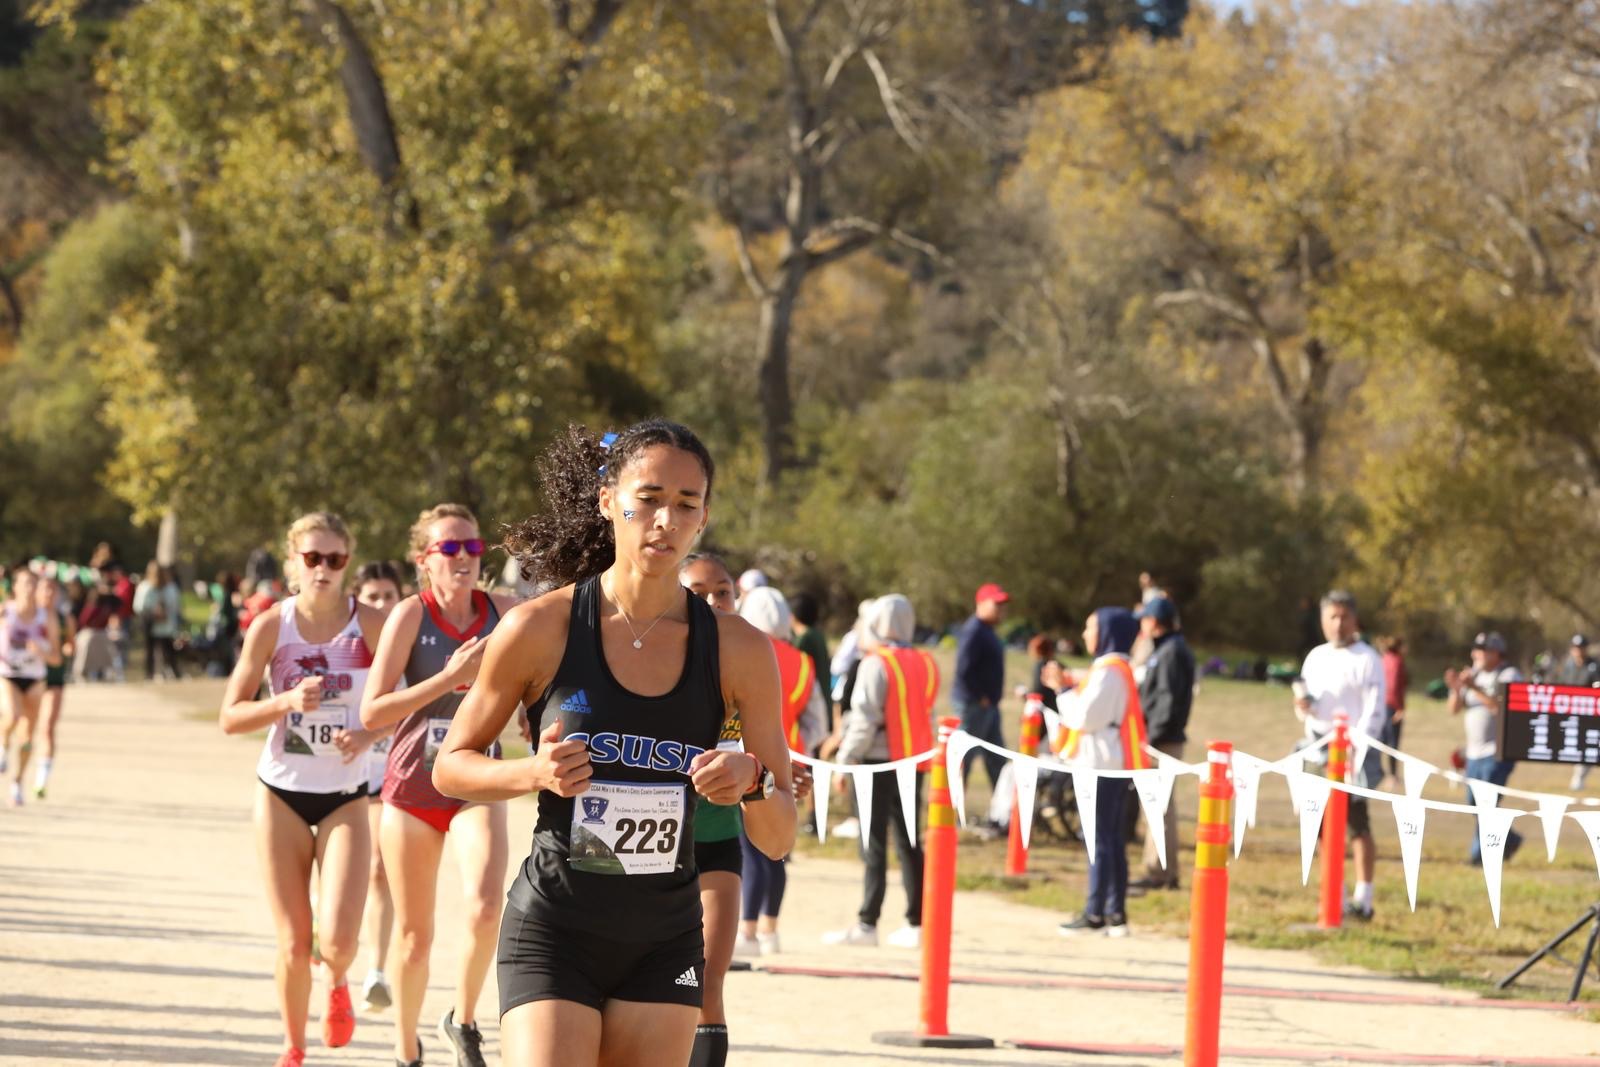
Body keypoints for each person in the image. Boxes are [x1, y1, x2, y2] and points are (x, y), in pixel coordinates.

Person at [433, 419, 796, 1067]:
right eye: (649, 497)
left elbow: (778, 836)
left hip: (664, 937)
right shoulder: (539, 628)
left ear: (704, 517)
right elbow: (451, 767)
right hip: (555, 923)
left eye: (686, 504)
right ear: (609, 501)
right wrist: (534, 772)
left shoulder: (737, 648)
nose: (665, 519)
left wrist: (755, 781)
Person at [218, 512, 387, 1067]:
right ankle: (292, 1049)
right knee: (292, 941)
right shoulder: (272, 625)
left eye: (334, 559)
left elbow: (406, 705)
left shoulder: (375, 624)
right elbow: (230, 716)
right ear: (294, 562)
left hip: (345, 794)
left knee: (338, 940)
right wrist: (285, 703)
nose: (322, 569)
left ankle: (337, 979)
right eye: (311, 558)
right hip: (282, 793)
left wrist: (366, 734)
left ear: (348, 564)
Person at [359, 505, 519, 1067]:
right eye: (449, 549)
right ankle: (407, 1049)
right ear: (424, 560)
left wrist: (530, 710)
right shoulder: (409, 615)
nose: (463, 559)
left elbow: (539, 674)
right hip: (412, 787)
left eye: (472, 549)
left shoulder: (505, 611)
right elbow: (373, 710)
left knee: (483, 906)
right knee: (413, 938)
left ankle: (464, 1019)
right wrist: (447, 679)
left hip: (476, 778)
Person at [823, 594, 936, 949]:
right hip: (913, 761)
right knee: (909, 841)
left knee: (873, 843)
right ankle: (917, 922)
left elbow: (864, 720)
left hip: (876, 762)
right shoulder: (925, 662)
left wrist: (845, 759)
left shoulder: (876, 664)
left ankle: (867, 923)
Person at [733, 584, 825, 960]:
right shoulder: (803, 662)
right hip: (790, 764)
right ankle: (771, 930)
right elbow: (817, 721)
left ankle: (749, 931)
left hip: (747, 759)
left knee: (748, 849)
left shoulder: (744, 652)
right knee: (778, 850)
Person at [1048, 607, 1149, 937]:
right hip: (1107, 762)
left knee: (1100, 839)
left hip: (1100, 763)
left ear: (1106, 632)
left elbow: (1085, 718)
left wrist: (1061, 691)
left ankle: (1096, 912)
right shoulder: (1112, 669)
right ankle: (1114, 912)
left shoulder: (1109, 671)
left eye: (1090, 627)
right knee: (1109, 838)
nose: (1084, 634)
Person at [1295, 591, 1386, 920]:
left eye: (1343, 616)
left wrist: (1355, 750)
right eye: (1331, 617)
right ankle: (1336, 891)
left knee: (1356, 825)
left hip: (1353, 752)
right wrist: (1305, 707)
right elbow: (1312, 705)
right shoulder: (1316, 656)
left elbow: (1375, 710)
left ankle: (1365, 896)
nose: (1337, 623)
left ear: (1354, 619)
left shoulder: (1367, 658)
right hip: (1318, 747)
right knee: (1321, 826)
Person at [352, 560, 405, 1014]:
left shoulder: (414, 648)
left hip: (391, 773)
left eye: (390, 595)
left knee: (378, 869)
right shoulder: (348, 647)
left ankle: (376, 970)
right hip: (345, 774)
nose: (382, 604)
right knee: (348, 868)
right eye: (372, 597)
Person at [1130, 597, 1193, 893]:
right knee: (1157, 805)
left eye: (1144, 619)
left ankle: (1160, 872)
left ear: (1154, 622)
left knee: (1159, 806)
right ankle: (1160, 870)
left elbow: (1167, 701)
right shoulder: (1167, 649)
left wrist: (1150, 738)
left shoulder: (1170, 652)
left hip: (1162, 742)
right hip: (1160, 739)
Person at [1447, 632, 1525, 866]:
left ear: (1496, 653)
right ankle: (1510, 838)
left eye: (1483, 650)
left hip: (1498, 751)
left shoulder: (1509, 675)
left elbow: (1501, 708)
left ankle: (1479, 855)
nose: (1476, 654)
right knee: (1474, 802)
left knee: (1486, 802)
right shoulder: (1474, 673)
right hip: (1474, 753)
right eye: (1475, 649)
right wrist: (1457, 687)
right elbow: (1453, 709)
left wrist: (1475, 687)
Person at [1, 568, 62, 806]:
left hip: (35, 678)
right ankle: (3, 745)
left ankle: (17, 781)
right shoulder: (6, 611)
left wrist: (43, 652)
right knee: (12, 716)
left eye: (32, 584)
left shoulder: (46, 617)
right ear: (14, 587)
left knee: (27, 737)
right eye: (24, 583)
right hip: (7, 675)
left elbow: (57, 658)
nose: (28, 588)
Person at [953, 583, 1009, 793]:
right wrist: (981, 696)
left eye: (1003, 605)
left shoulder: (987, 630)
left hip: (988, 707)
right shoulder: (974, 631)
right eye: (997, 604)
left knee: (997, 759)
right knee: (963, 758)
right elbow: (963, 670)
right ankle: (954, 810)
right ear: (981, 604)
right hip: (974, 706)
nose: (1002, 609)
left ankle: (1002, 812)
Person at [32, 574, 75, 800]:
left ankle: (41, 779)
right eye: (44, 589)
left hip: (54, 678)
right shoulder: (25, 617)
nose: (48, 594)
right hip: (29, 678)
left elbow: (71, 646)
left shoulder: (63, 619)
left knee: (47, 726)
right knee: (23, 726)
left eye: (52, 589)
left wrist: (64, 651)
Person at [134, 561, 182, 681]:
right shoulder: (145, 587)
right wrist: (153, 613)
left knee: (168, 650)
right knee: (150, 650)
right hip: (151, 623)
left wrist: (166, 613)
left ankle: (173, 673)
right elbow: (139, 606)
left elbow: (176, 606)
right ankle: (149, 674)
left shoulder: (170, 588)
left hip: (166, 624)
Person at [1379, 636, 1410, 785]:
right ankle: (1392, 776)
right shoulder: (1397, 661)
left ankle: (1382, 771)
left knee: (1382, 740)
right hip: (1392, 706)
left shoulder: (1383, 659)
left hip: (1382, 704)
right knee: (1392, 743)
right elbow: (1393, 686)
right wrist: (1399, 708)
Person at [1027, 634, 1058, 712]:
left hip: (1044, 711)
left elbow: (1037, 690)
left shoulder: (1040, 665)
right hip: (1054, 709)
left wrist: (1025, 695)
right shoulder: (1056, 665)